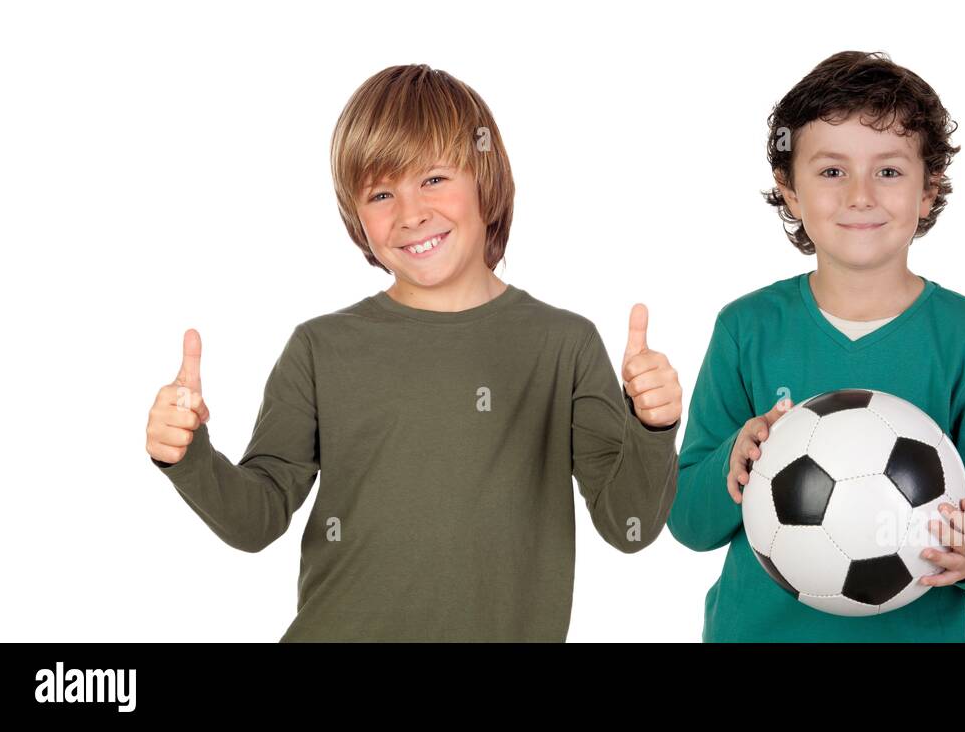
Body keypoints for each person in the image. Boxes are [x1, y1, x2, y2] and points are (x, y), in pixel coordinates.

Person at [144, 64, 683, 641]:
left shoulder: (564, 345)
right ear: (357, 219)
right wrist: (188, 457)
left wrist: (654, 426)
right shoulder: (320, 349)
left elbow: (629, 528)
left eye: (432, 179)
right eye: (380, 193)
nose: (409, 213)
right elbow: (256, 520)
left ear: (485, 179)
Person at [667, 50, 965, 642]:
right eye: (832, 171)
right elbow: (688, 521)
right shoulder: (746, 327)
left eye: (889, 171)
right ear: (790, 192)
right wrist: (731, 465)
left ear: (929, 191)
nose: (861, 195)